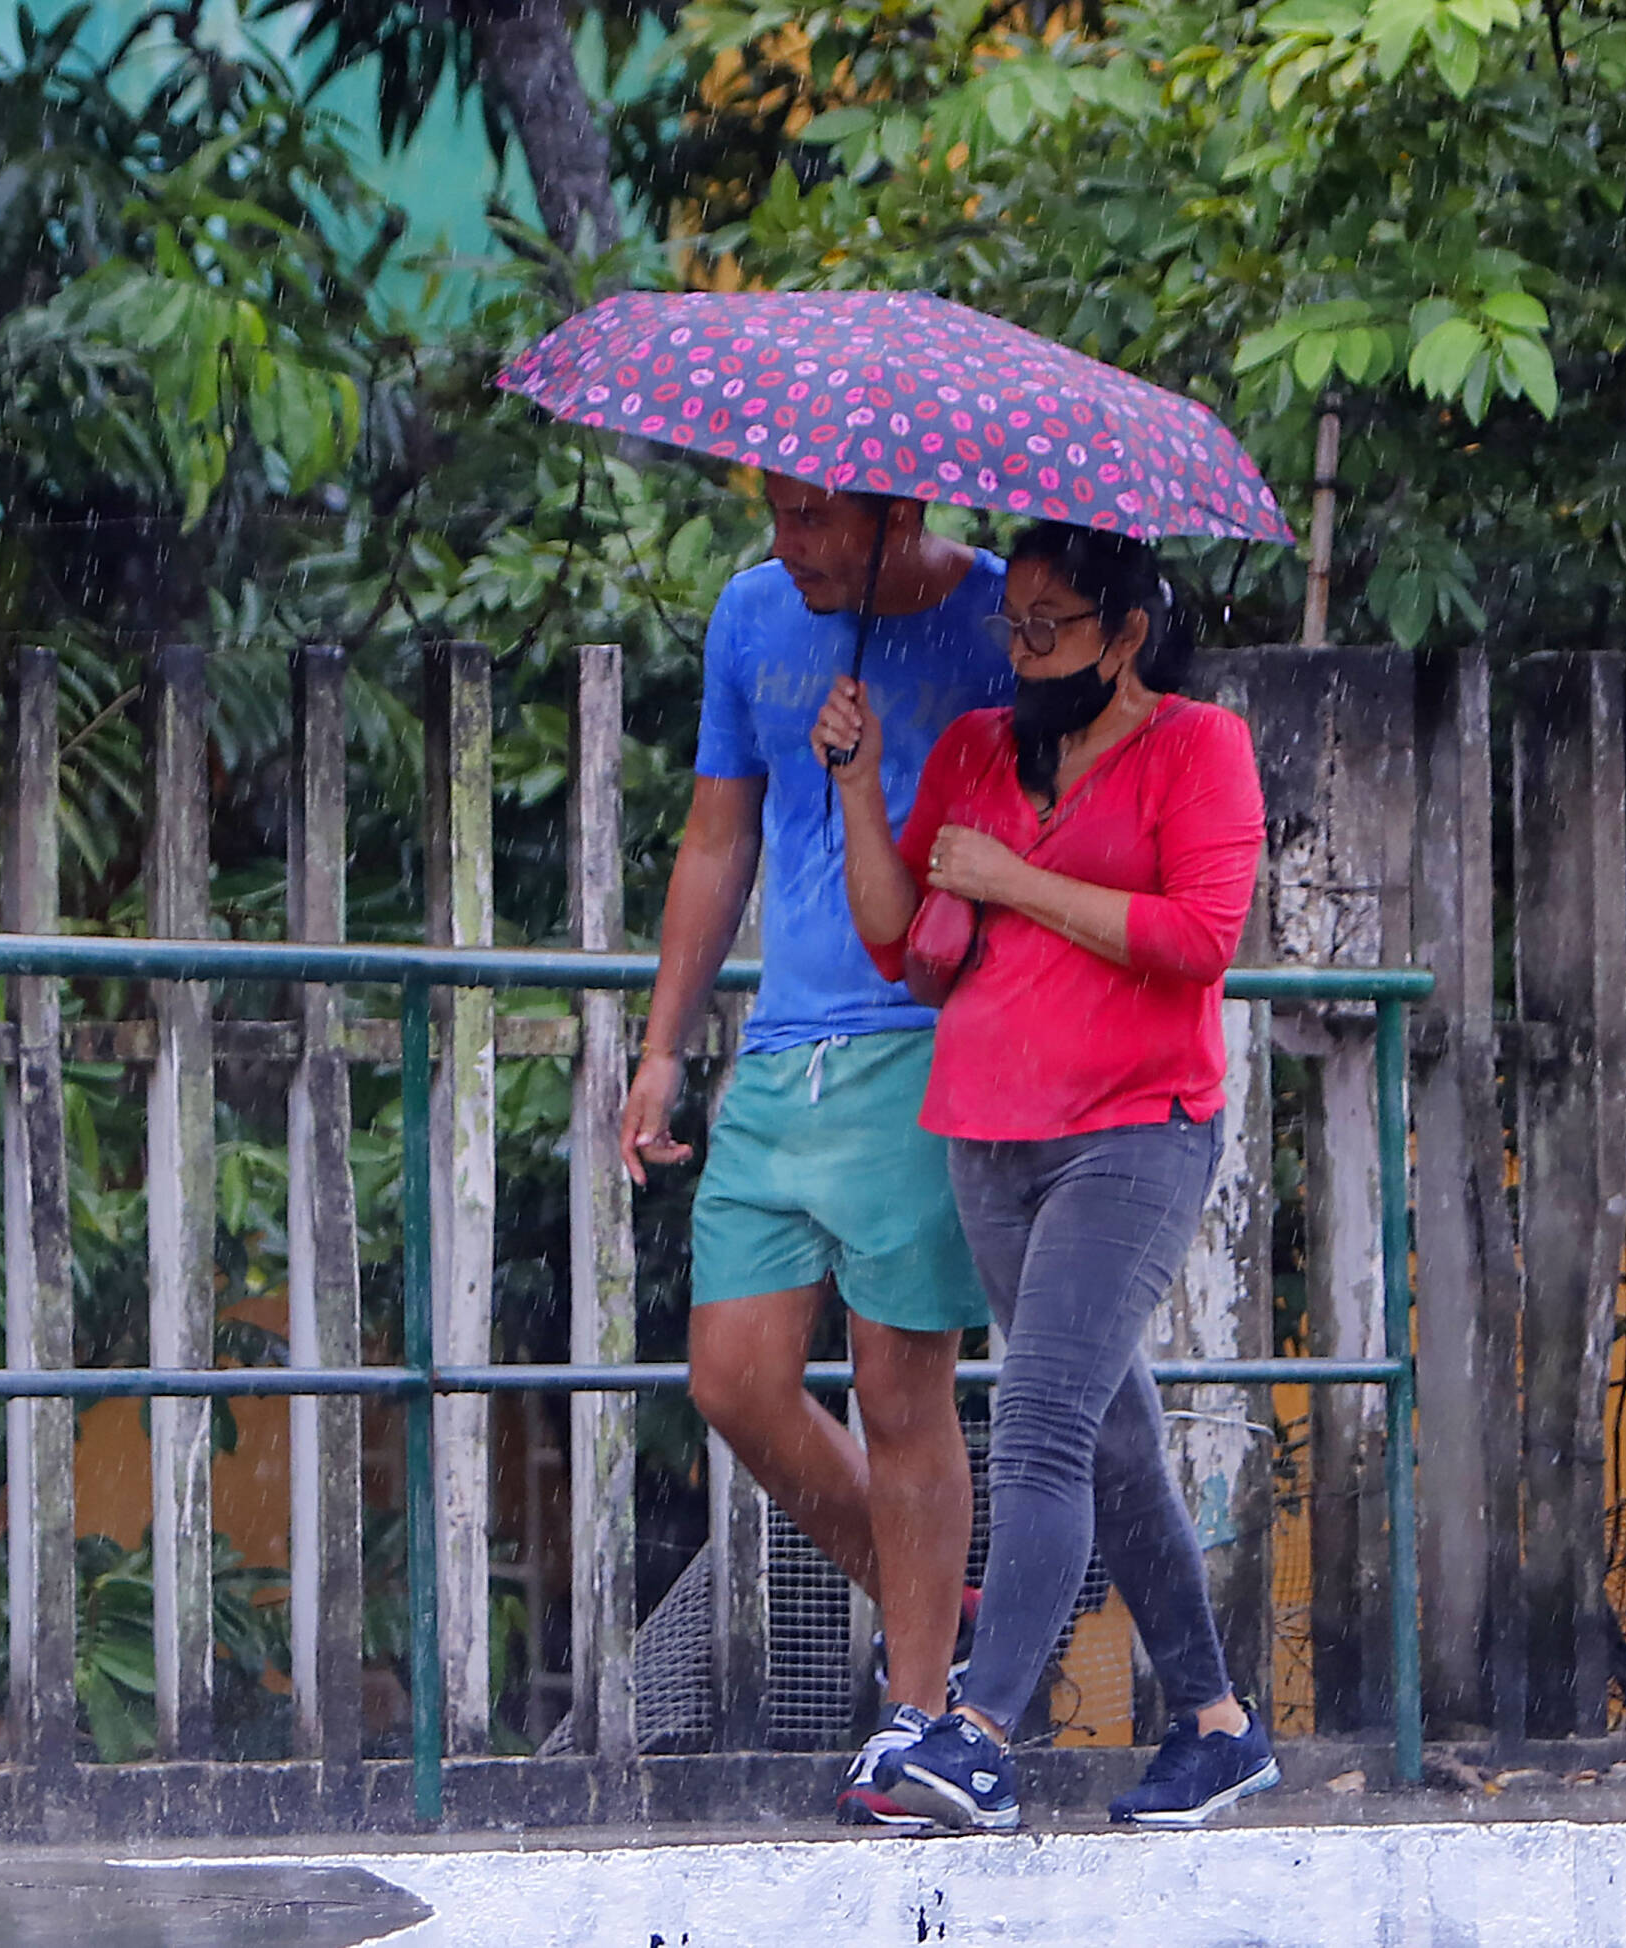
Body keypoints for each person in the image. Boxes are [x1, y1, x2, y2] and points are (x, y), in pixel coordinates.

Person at [808, 520, 1279, 1832]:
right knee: (1113, 1441)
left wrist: (1020, 876)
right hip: (988, 1134)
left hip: (1134, 1132)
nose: (1021, 651)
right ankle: (1216, 1726)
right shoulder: (974, 751)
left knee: (1041, 1426)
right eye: (1012, 624)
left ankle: (979, 1734)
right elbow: (900, 938)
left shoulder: (1199, 748)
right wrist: (859, 786)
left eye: (1051, 627)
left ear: (1126, 635)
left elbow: (1199, 937)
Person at [621, 474, 1012, 1825]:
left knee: (906, 1398)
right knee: (732, 1379)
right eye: (775, 514)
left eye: (812, 519)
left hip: (922, 1037)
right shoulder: (751, 616)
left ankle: (916, 1722)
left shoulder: (1001, 616)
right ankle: (943, 1613)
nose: (784, 546)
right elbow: (718, 836)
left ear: (894, 517)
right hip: (784, 1050)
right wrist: (667, 1044)